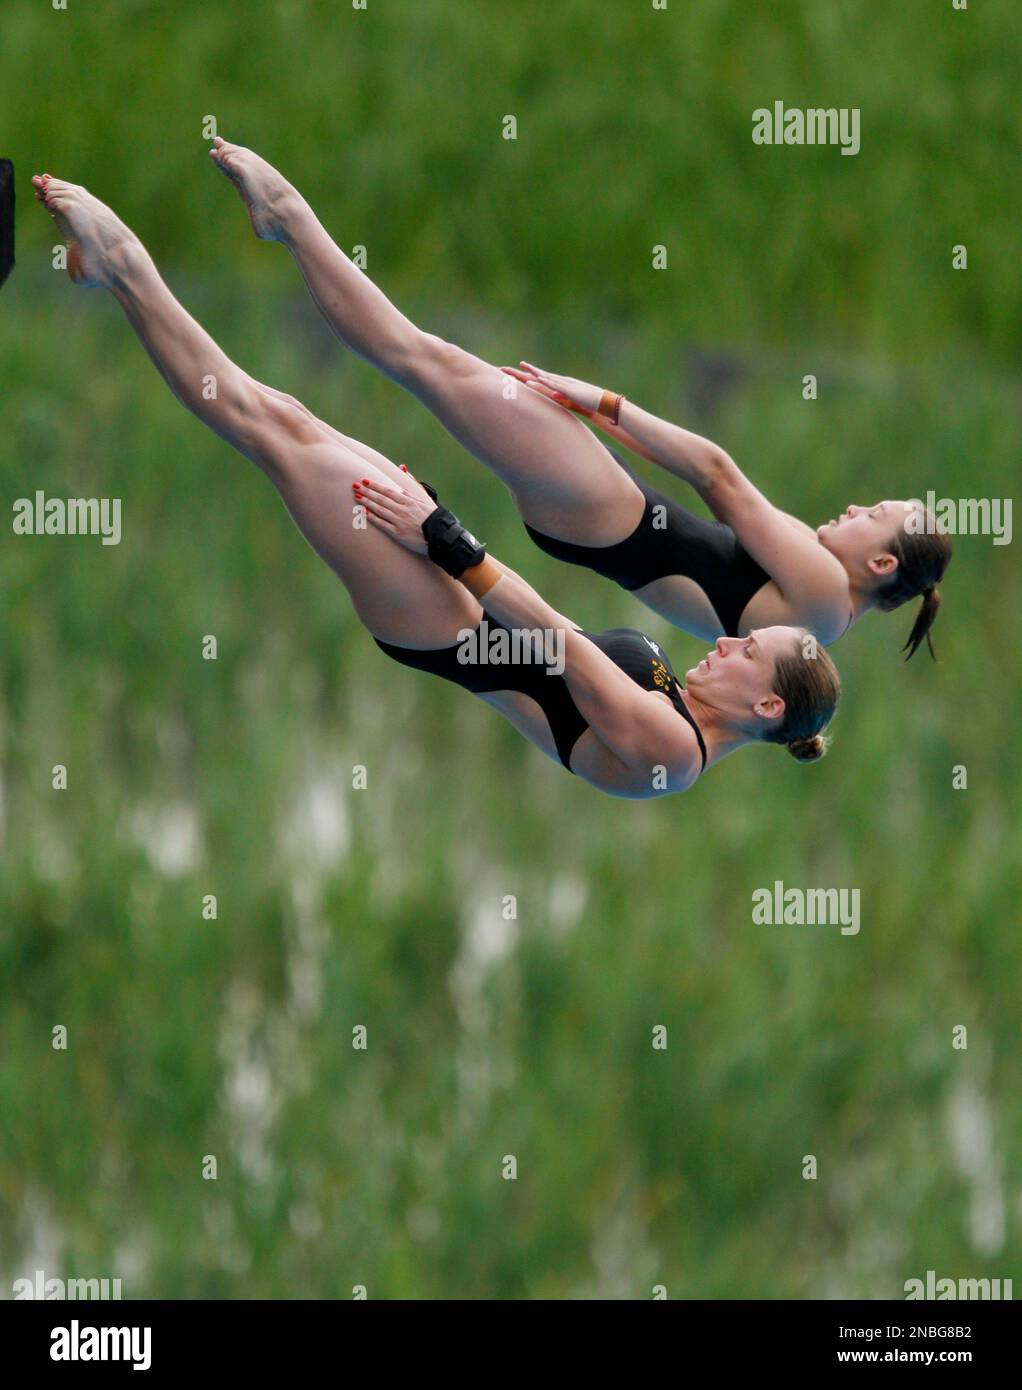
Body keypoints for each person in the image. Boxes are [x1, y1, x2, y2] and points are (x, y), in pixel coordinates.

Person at [32, 172, 840, 799]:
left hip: (441, 621)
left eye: (746, 650)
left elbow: (555, 639)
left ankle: (125, 266)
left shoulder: (673, 755)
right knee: (291, 418)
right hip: (459, 594)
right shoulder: (682, 706)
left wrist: (444, 535)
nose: (728, 638)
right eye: (744, 634)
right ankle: (117, 271)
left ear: (768, 707)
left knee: (270, 433)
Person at [207, 138, 950, 660]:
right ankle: (285, 246)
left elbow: (718, 474)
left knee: (420, 357)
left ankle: (290, 220)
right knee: (423, 364)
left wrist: (605, 403)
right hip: (598, 517)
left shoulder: (824, 592)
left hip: (603, 506)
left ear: (882, 565)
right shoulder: (818, 614)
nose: (855, 510)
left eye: (873, 517)